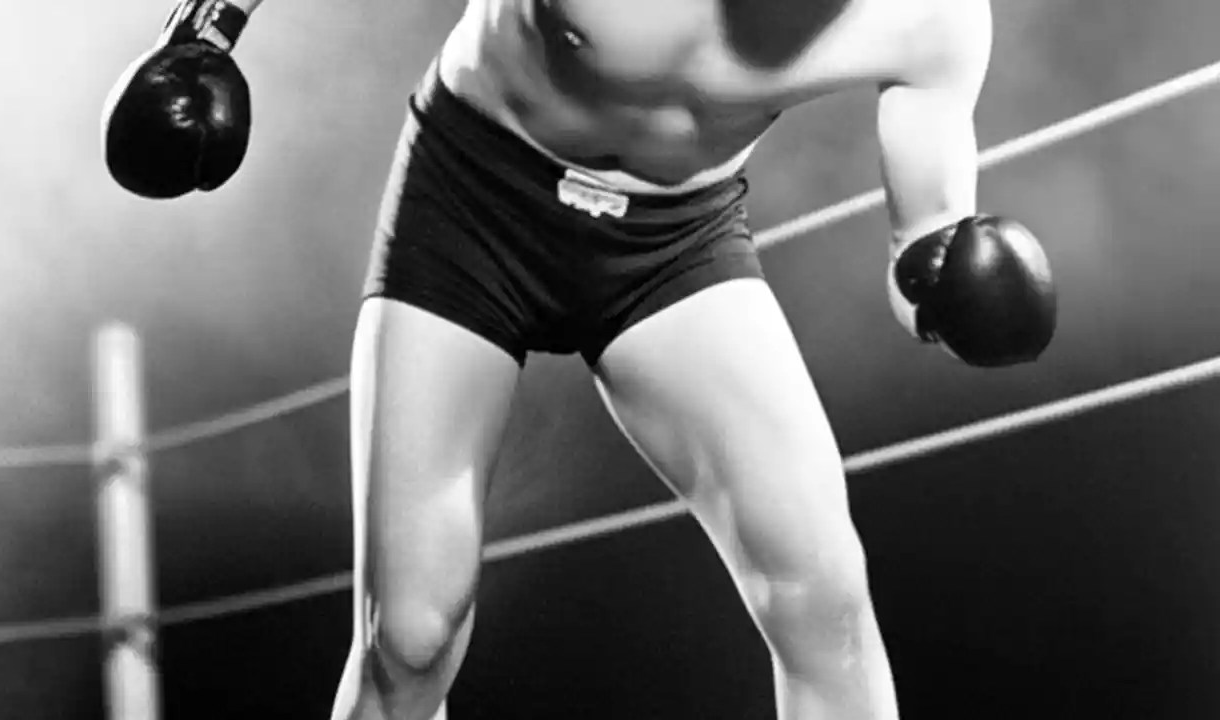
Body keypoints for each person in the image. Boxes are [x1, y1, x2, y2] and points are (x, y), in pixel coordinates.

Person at [103, 0, 1057, 718]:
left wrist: (946, 276)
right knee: (411, 633)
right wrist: (208, 27)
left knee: (824, 589)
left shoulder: (930, 16)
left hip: (671, 242)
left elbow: (919, 244)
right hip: (476, 193)